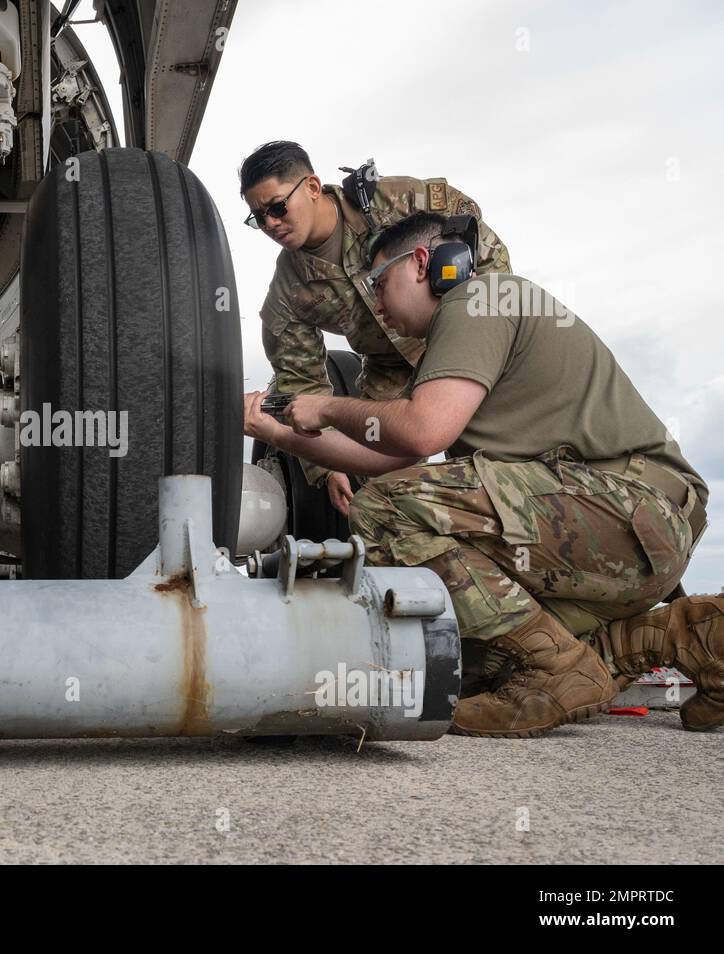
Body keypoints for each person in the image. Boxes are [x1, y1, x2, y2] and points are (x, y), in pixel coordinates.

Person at [242, 211, 715, 737]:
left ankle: (555, 672)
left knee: (384, 512)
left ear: (421, 263)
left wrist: (328, 408)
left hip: (630, 511)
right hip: (632, 537)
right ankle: (696, 638)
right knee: (477, 655)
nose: (374, 303)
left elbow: (422, 433)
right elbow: (389, 455)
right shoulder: (466, 330)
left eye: (379, 283)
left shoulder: (476, 301)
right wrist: (279, 434)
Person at [239, 142, 511, 513]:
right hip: (389, 374)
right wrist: (328, 463)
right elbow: (300, 381)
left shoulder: (395, 203)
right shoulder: (287, 293)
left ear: (313, 187)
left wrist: (480, 329)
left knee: (495, 461)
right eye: (259, 217)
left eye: (277, 207)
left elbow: (478, 239)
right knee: (383, 491)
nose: (271, 223)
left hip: (460, 342)